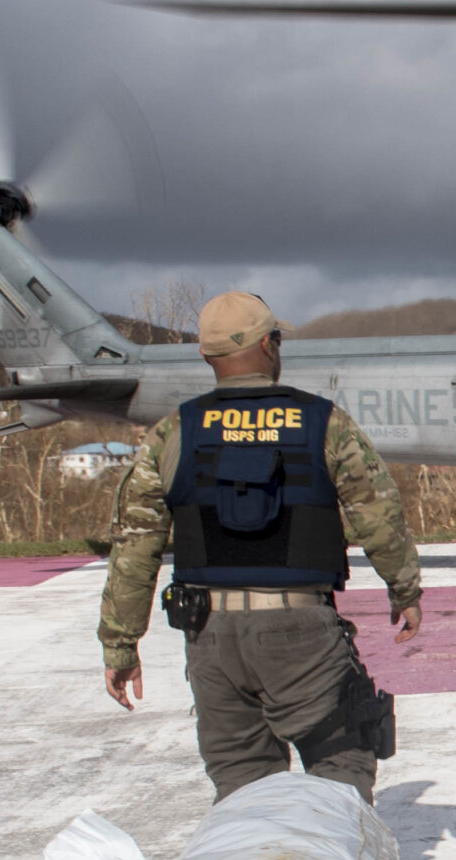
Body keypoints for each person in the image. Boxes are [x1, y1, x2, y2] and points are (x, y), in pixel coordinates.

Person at [99, 291, 423, 801]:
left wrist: (120, 643)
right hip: (300, 632)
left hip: (209, 634)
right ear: (270, 345)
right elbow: (379, 514)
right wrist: (404, 589)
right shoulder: (322, 422)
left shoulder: (173, 432)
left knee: (242, 788)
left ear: (206, 356)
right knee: (341, 765)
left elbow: (134, 546)